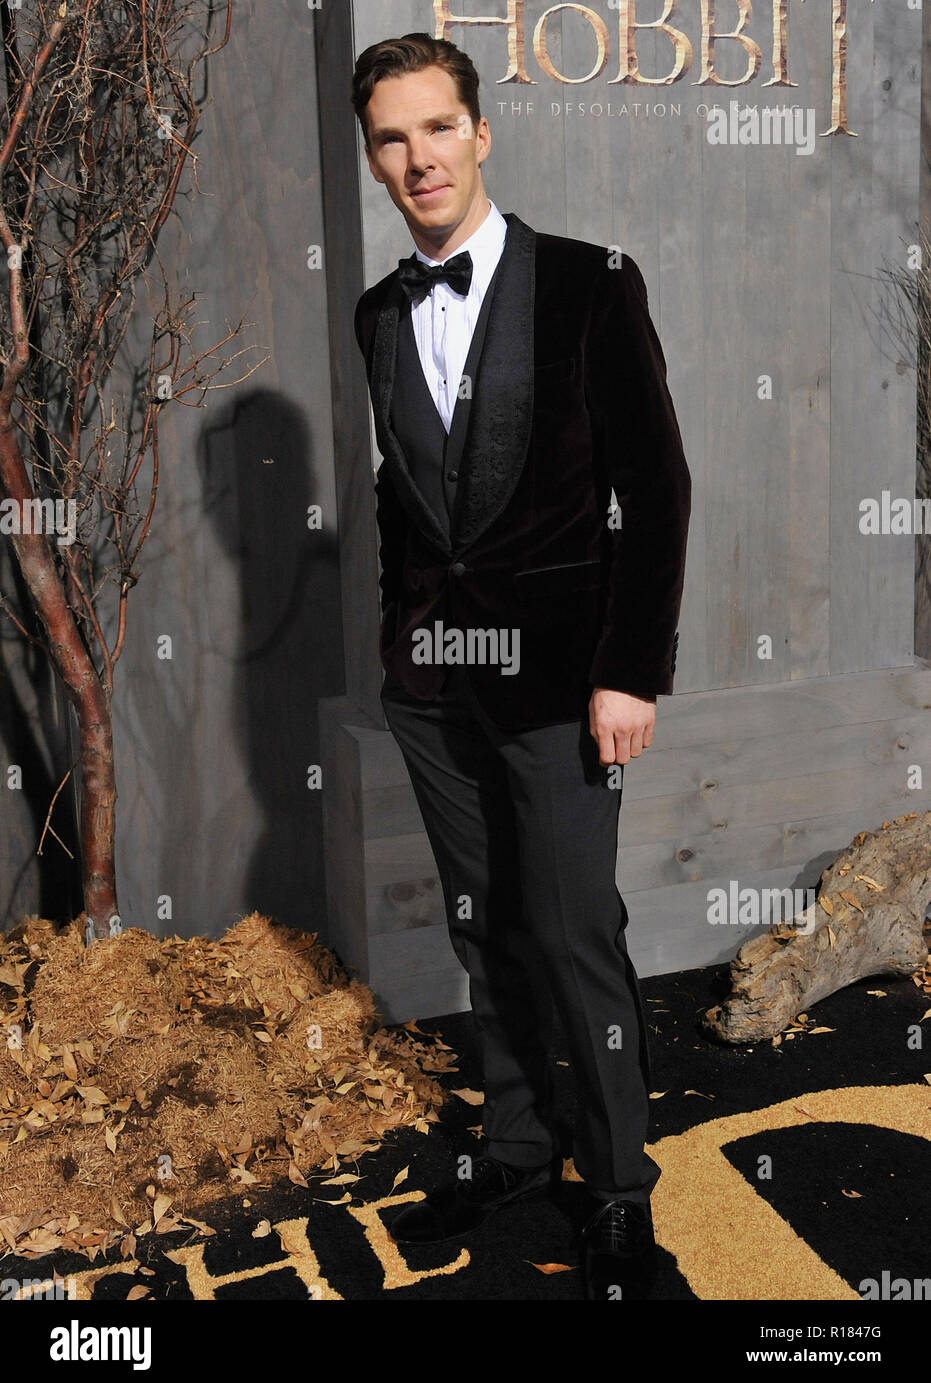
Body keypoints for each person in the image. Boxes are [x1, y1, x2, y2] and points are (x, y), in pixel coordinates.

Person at [350, 32, 690, 1301]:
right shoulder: (380, 308)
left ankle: (613, 1190)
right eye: (392, 137)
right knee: (481, 923)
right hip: (433, 684)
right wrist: (401, 638)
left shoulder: (591, 283)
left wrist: (630, 671)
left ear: (480, 133)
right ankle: (515, 1141)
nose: (417, 156)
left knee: (569, 930)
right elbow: (404, 496)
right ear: (375, 158)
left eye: (437, 127)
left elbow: (652, 492)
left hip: (563, 678)